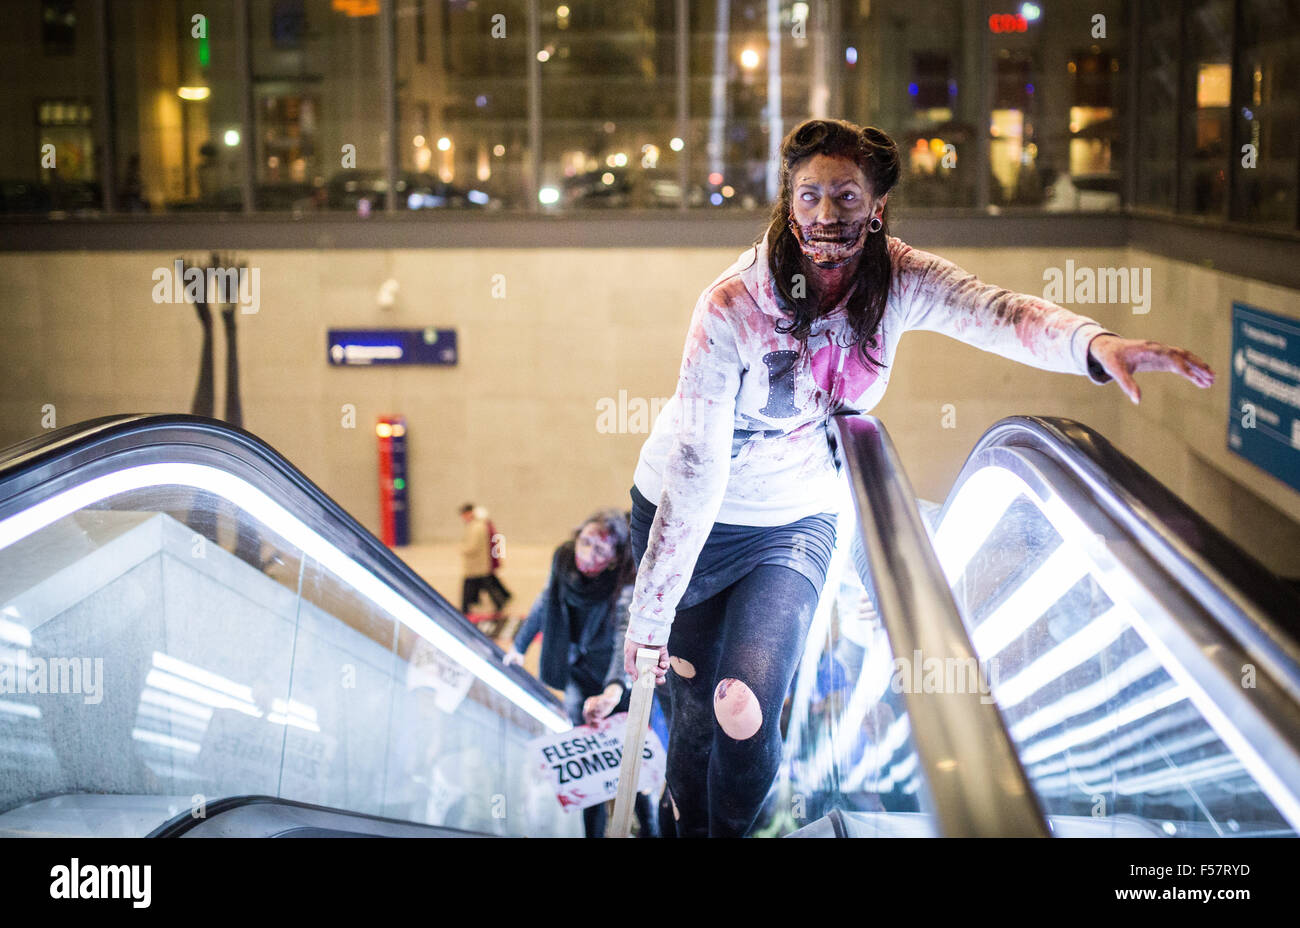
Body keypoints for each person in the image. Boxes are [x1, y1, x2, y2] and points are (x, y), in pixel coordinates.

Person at [621, 117, 1216, 838]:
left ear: (875, 207)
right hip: (688, 518)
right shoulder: (734, 305)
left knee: (740, 701)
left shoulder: (897, 278)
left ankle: (731, 834)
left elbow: (995, 311)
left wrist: (1095, 344)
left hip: (794, 519)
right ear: (787, 199)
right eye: (808, 196)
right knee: (690, 712)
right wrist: (649, 614)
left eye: (845, 196)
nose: (825, 214)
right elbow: (696, 467)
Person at [502, 509, 655, 837]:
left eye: (599, 550)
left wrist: (615, 686)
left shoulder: (624, 579)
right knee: (588, 761)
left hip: (614, 675)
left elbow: (623, 636)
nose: (587, 553)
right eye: (584, 542)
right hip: (577, 672)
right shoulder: (563, 561)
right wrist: (519, 646)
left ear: (614, 558)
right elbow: (545, 602)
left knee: (628, 755)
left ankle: (649, 826)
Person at [459, 503, 511, 618]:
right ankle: (499, 601)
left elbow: (472, 547)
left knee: (480, 585)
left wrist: (462, 548)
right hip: (479, 563)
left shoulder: (476, 527)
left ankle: (467, 607)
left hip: (476, 564)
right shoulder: (479, 525)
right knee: (485, 584)